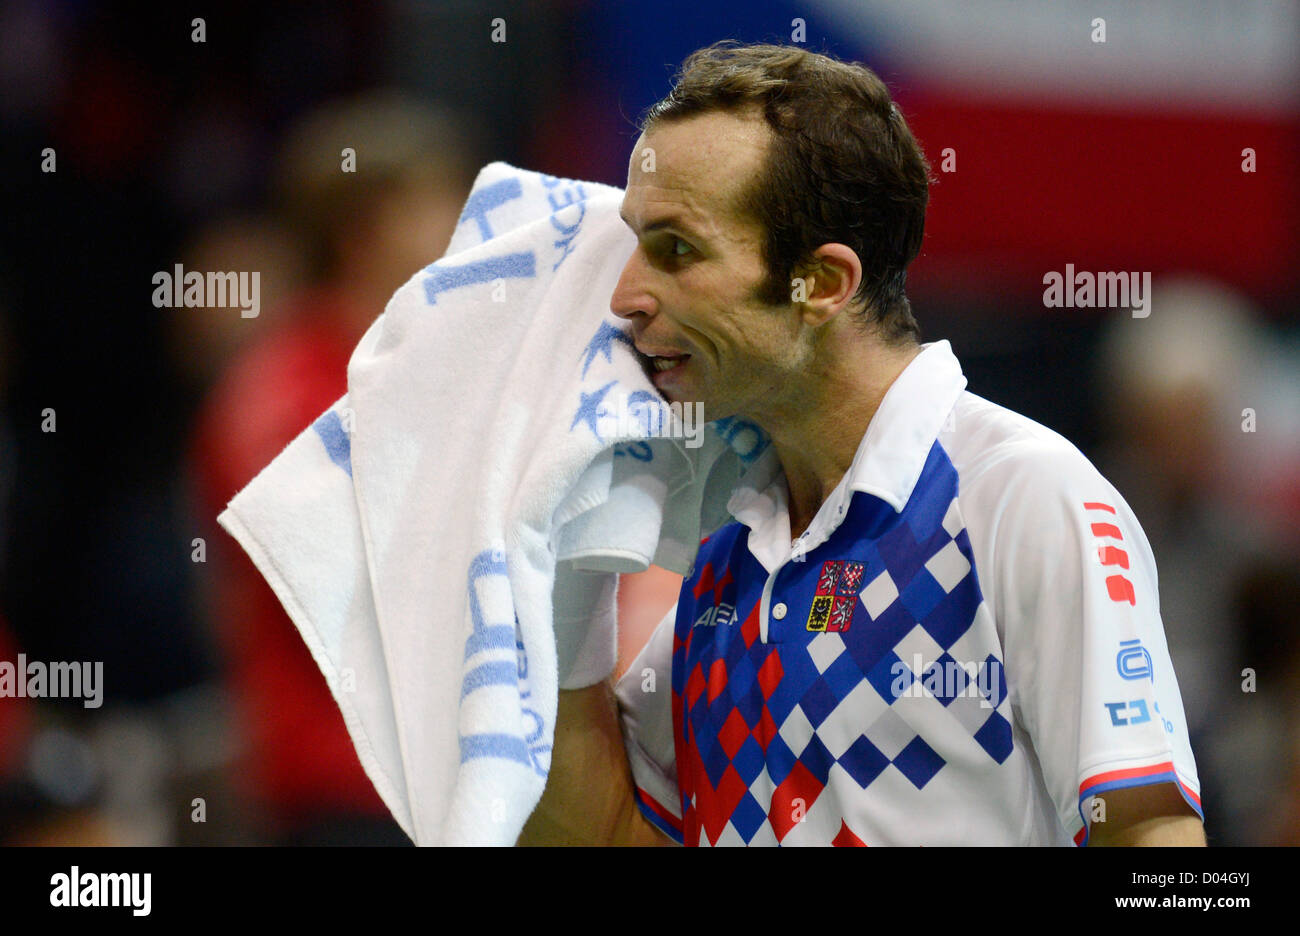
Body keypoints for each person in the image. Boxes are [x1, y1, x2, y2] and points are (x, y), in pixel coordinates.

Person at [517, 42, 1205, 846]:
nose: (625, 296)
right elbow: (603, 833)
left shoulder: (1025, 495)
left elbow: (1154, 844)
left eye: (677, 250)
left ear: (824, 284)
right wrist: (564, 581)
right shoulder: (728, 555)